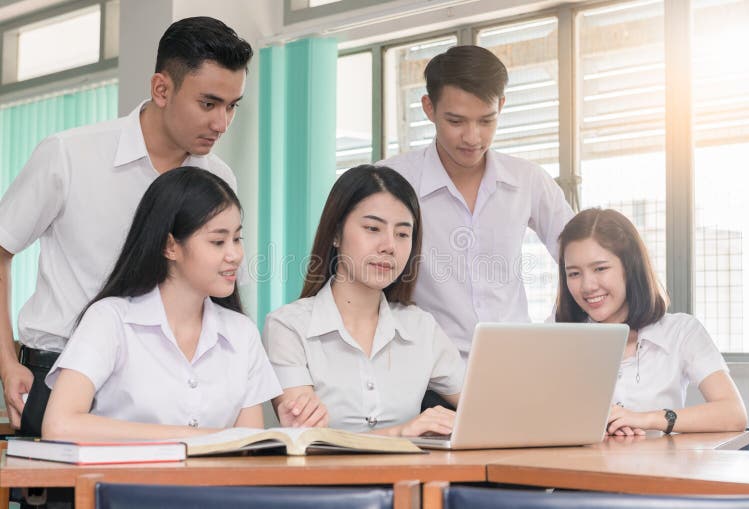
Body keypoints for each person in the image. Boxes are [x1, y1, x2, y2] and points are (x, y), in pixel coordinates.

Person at [0, 16, 252, 436]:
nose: (221, 123)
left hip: (162, 384)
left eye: (232, 107)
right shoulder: (70, 155)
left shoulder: (219, 178)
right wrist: (7, 361)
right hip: (59, 370)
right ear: (161, 89)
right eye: (208, 104)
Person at [42, 168, 323, 441]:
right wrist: (196, 438)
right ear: (170, 246)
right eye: (218, 241)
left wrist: (291, 430)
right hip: (126, 488)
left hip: (214, 489)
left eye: (237, 239)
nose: (235, 255)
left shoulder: (242, 332)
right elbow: (59, 424)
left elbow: (245, 447)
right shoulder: (110, 319)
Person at [379, 45, 574, 359]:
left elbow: (579, 257)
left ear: (501, 106)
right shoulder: (390, 180)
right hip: (426, 370)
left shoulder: (528, 180)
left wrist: (555, 328)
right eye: (456, 122)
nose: (472, 137)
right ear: (429, 108)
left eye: (486, 121)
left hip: (515, 362)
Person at [263, 165, 465, 436]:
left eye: (403, 234)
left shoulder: (420, 327)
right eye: (372, 228)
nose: (389, 245)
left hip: (410, 478)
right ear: (335, 234)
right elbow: (307, 440)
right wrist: (401, 433)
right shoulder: (288, 327)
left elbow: (486, 409)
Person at [556, 208, 747, 436]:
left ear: (630, 267)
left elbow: (733, 413)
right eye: (574, 273)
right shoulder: (559, 339)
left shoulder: (681, 332)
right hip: (580, 469)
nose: (587, 286)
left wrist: (647, 419)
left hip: (657, 470)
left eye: (600, 268)